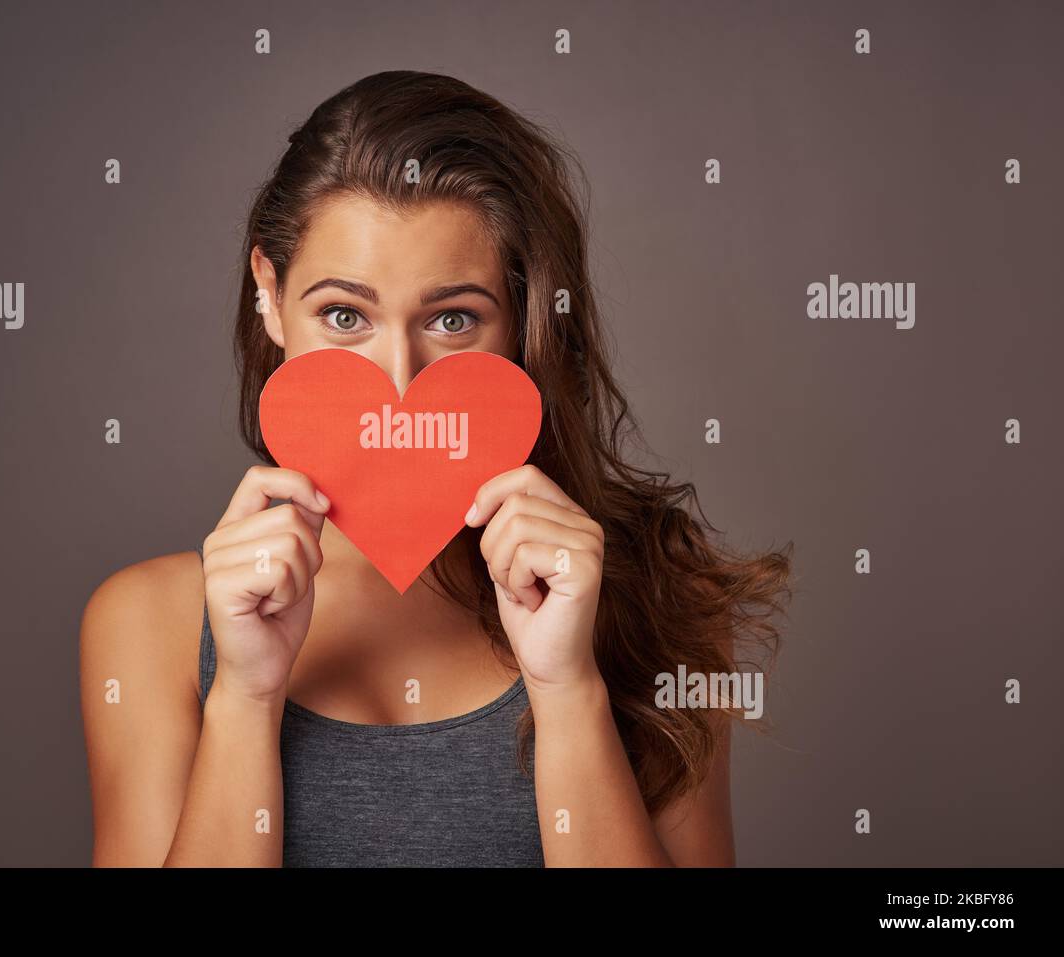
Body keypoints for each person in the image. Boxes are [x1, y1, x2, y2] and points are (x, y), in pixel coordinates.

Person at [79, 70, 792, 867]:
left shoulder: (662, 594)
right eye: (344, 315)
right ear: (270, 298)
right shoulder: (148, 624)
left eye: (452, 318)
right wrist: (245, 699)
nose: (397, 383)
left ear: (521, 322)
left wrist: (567, 690)